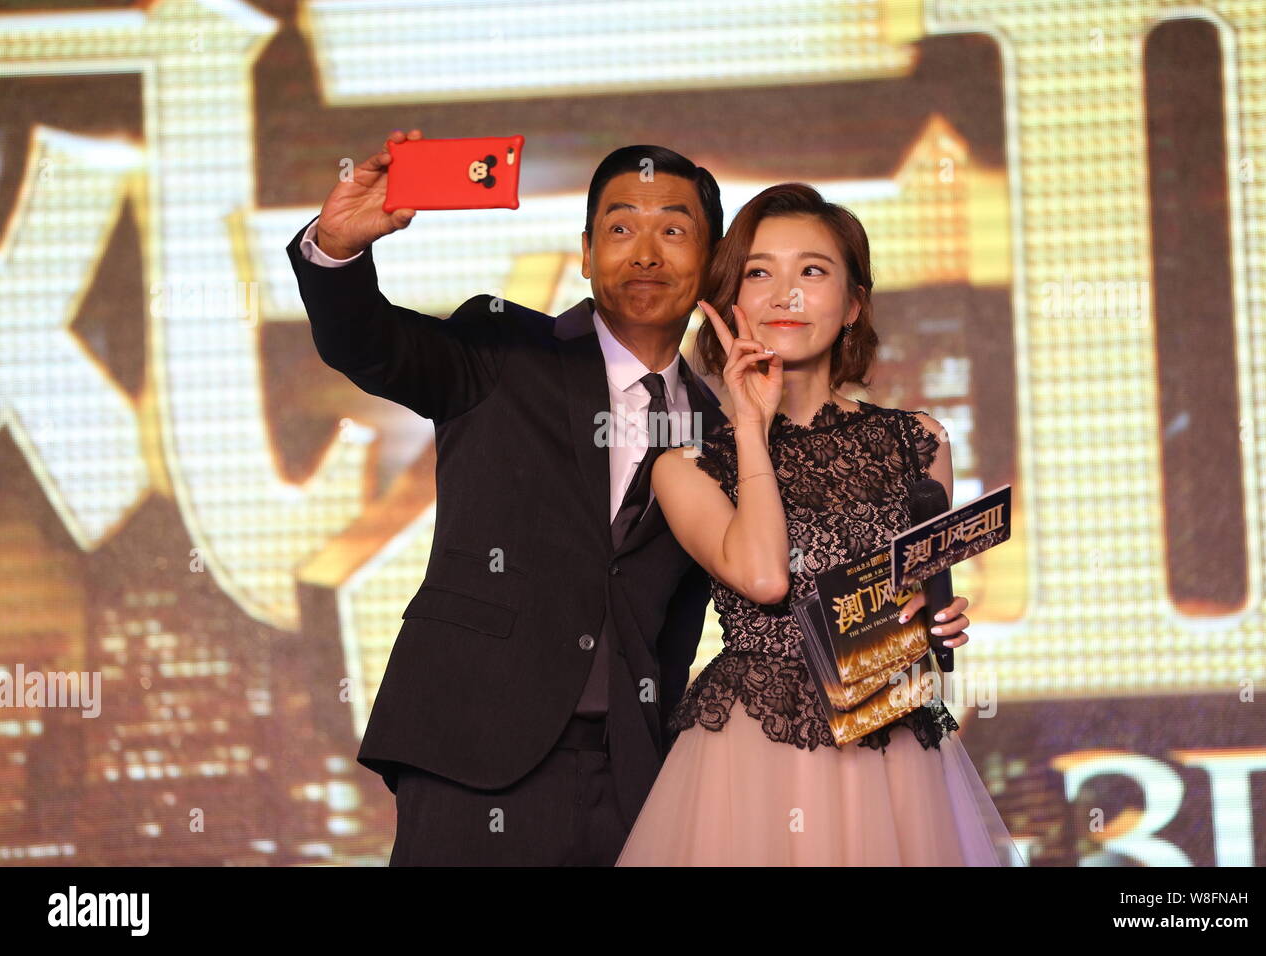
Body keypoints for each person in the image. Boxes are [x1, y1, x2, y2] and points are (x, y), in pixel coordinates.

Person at [285, 135, 729, 865]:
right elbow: (370, 345)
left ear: (710, 263)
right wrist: (336, 253)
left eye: (673, 231)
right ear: (585, 253)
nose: (645, 253)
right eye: (620, 228)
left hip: (635, 779)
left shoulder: (723, 429)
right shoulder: (503, 349)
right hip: (473, 755)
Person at [616, 183, 1023, 865]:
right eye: (759, 272)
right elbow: (765, 576)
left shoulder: (918, 442)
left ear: (855, 302)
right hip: (748, 757)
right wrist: (749, 422)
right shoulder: (684, 466)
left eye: (812, 270)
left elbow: (918, 611)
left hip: (888, 749)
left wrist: (933, 622)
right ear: (729, 303)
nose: (787, 294)